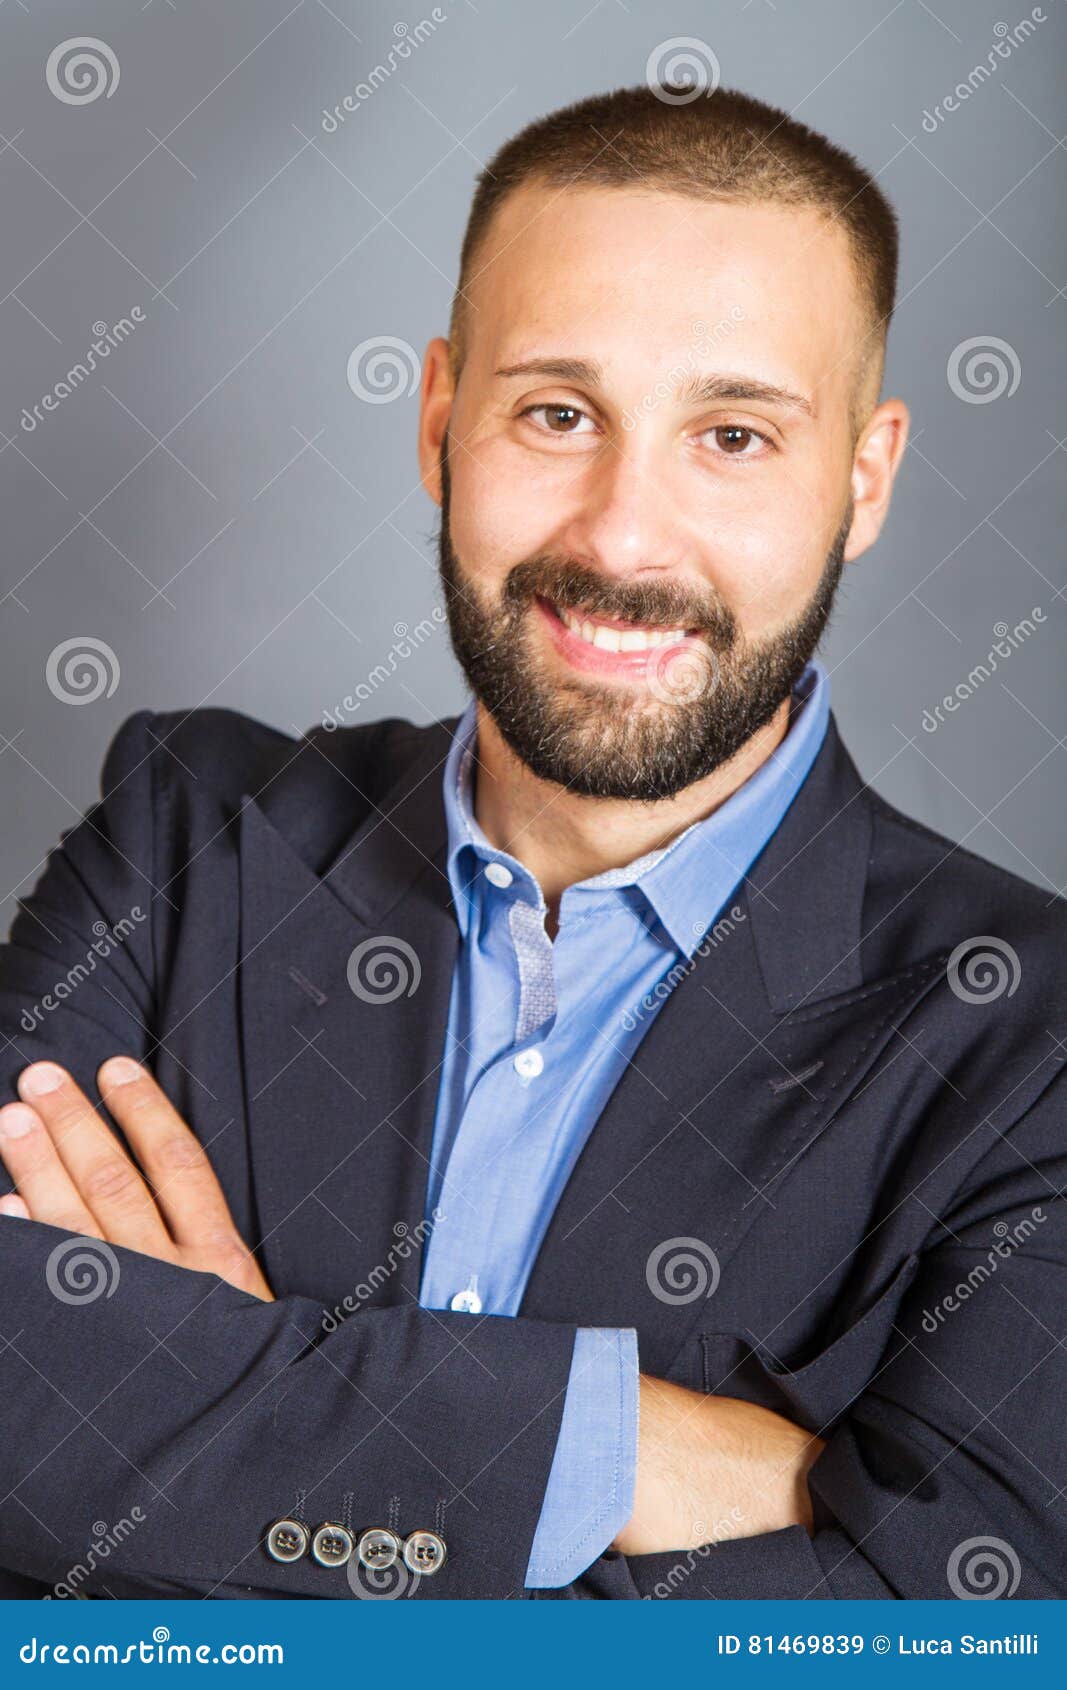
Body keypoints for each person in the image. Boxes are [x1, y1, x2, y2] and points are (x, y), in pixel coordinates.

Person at [0, 84, 1063, 1601]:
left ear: (863, 478)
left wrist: (207, 1417)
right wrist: (617, 1452)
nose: (624, 538)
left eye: (734, 435)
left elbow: (948, 1621)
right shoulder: (184, 838)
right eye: (558, 413)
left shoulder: (1033, 1042)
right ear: (443, 419)